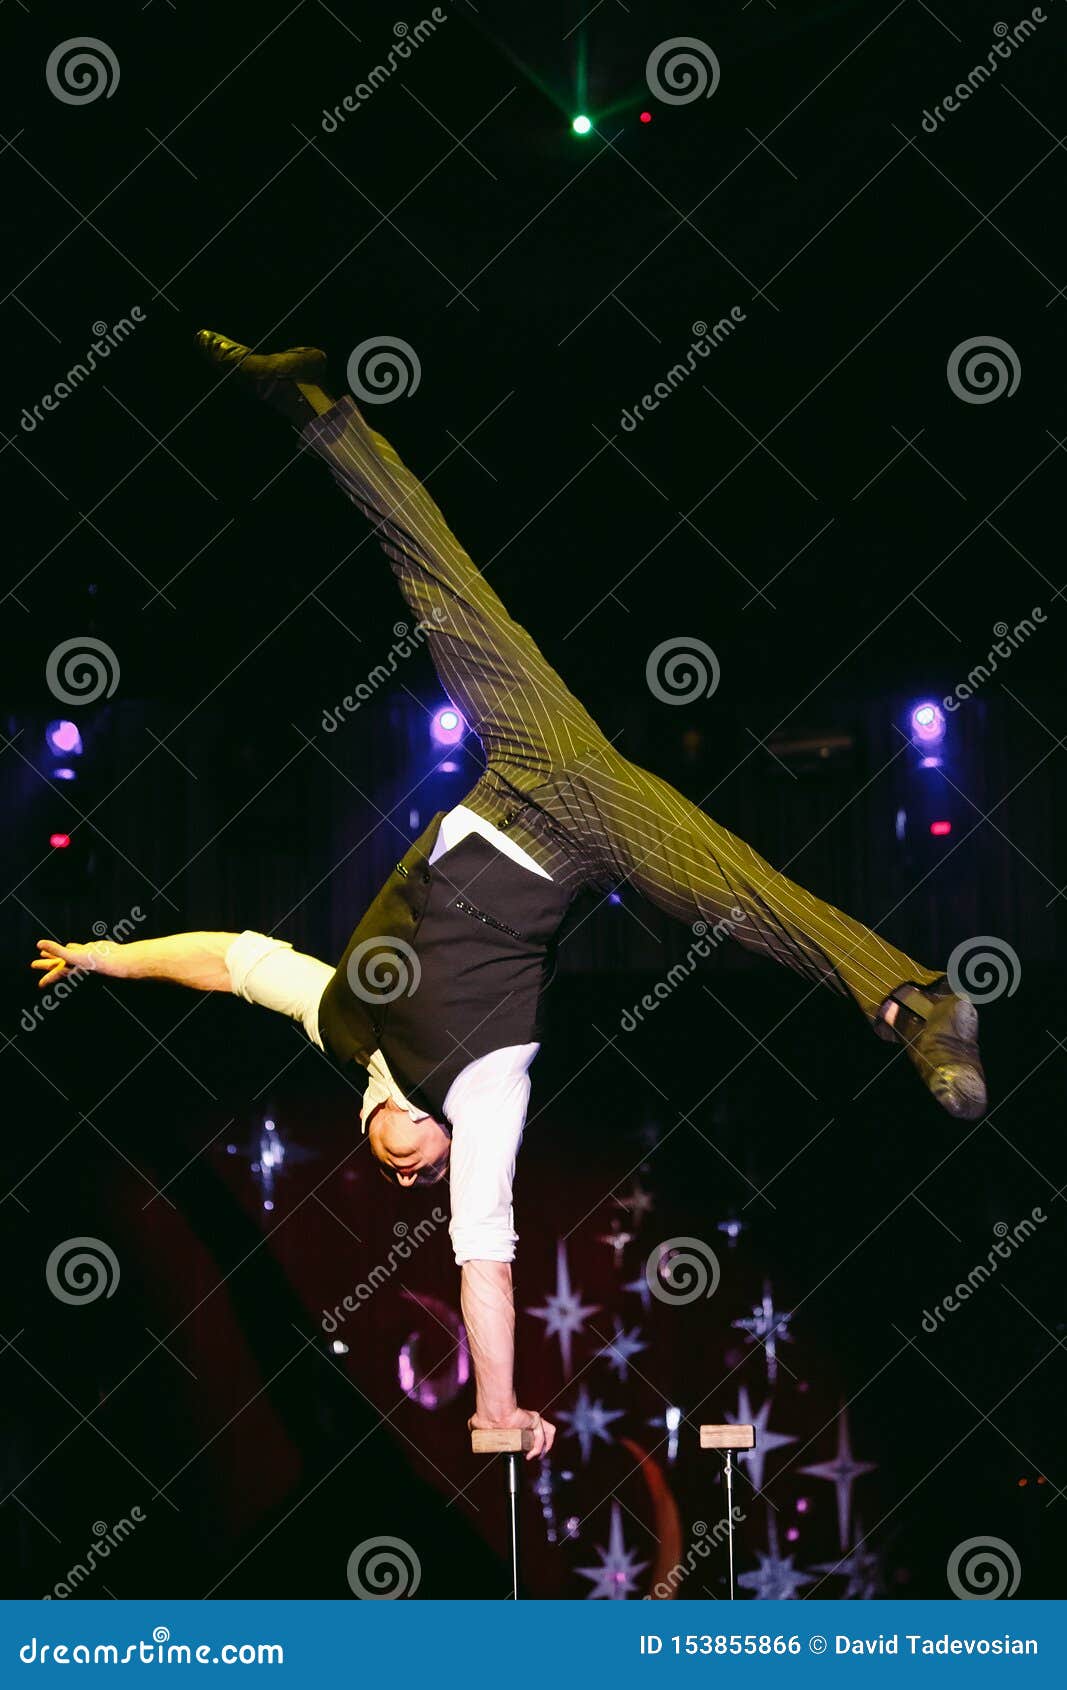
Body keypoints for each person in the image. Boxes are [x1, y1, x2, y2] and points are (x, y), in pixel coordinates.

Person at [32, 330, 987, 1461]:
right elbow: (482, 1261)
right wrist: (493, 1406)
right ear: (437, 1150)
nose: (402, 1163)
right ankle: (919, 1003)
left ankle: (306, 408)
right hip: (588, 826)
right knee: (740, 892)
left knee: (435, 573)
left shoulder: (340, 1019)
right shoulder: (483, 1100)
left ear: (367, 1128)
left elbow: (230, 958)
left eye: (387, 1161)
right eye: (417, 1170)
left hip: (519, 759)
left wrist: (104, 956)